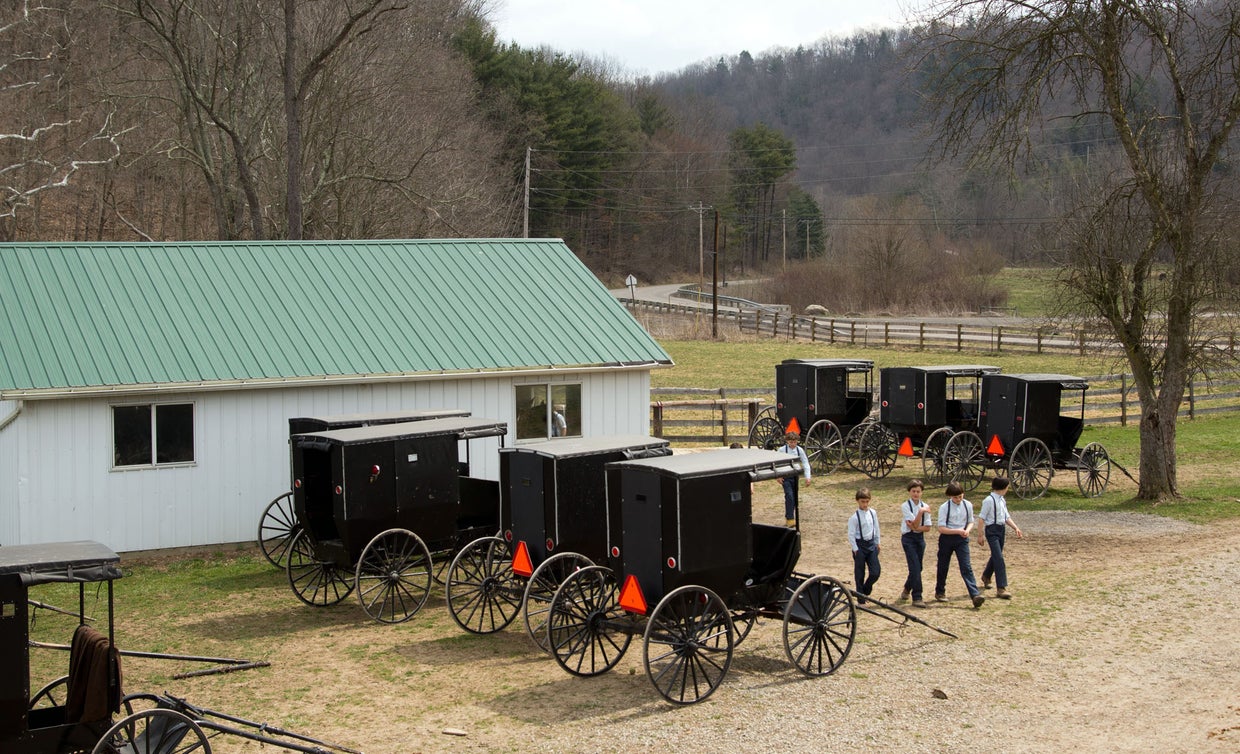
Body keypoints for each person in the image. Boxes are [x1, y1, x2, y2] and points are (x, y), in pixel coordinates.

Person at [934, 481, 985, 608]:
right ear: (950, 496)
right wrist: (957, 531)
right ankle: (940, 591)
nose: (958, 499)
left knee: (966, 566)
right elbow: (941, 528)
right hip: (947, 538)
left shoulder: (967, 505)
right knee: (943, 566)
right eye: (955, 497)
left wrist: (967, 530)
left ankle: (974, 594)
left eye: (960, 496)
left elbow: (970, 521)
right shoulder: (944, 507)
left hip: (962, 539)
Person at [977, 476, 1023, 599]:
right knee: (999, 558)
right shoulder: (989, 500)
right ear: (1004, 487)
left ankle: (986, 575)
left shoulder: (1002, 500)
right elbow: (981, 518)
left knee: (996, 555)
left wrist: (1015, 528)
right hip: (992, 530)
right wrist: (980, 535)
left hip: (1001, 530)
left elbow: (1006, 517)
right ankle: (1001, 587)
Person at [898, 479, 934, 608]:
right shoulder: (906, 506)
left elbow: (927, 527)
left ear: (922, 493)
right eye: (913, 491)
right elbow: (914, 525)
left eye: (918, 491)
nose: (916, 494)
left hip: (920, 539)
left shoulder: (925, 505)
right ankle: (917, 596)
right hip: (908, 539)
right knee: (914, 567)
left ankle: (907, 588)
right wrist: (920, 513)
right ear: (909, 492)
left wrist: (916, 527)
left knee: (918, 568)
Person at [847, 487, 881, 604]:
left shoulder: (873, 513)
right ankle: (860, 598)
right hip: (860, 546)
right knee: (859, 573)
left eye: (867, 501)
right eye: (862, 502)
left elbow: (876, 528)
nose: (865, 504)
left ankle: (866, 590)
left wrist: (877, 542)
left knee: (875, 572)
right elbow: (851, 534)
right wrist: (855, 548)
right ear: (858, 501)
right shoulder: (854, 517)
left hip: (871, 544)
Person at [776, 430, 811, 527]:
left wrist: (807, 477)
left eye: (795, 442)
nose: (793, 444)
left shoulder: (800, 450)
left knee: (794, 498)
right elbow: (776, 463)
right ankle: (790, 518)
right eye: (791, 442)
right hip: (785, 476)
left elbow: (805, 462)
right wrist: (778, 476)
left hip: (795, 476)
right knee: (789, 496)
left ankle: (789, 516)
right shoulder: (781, 450)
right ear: (787, 441)